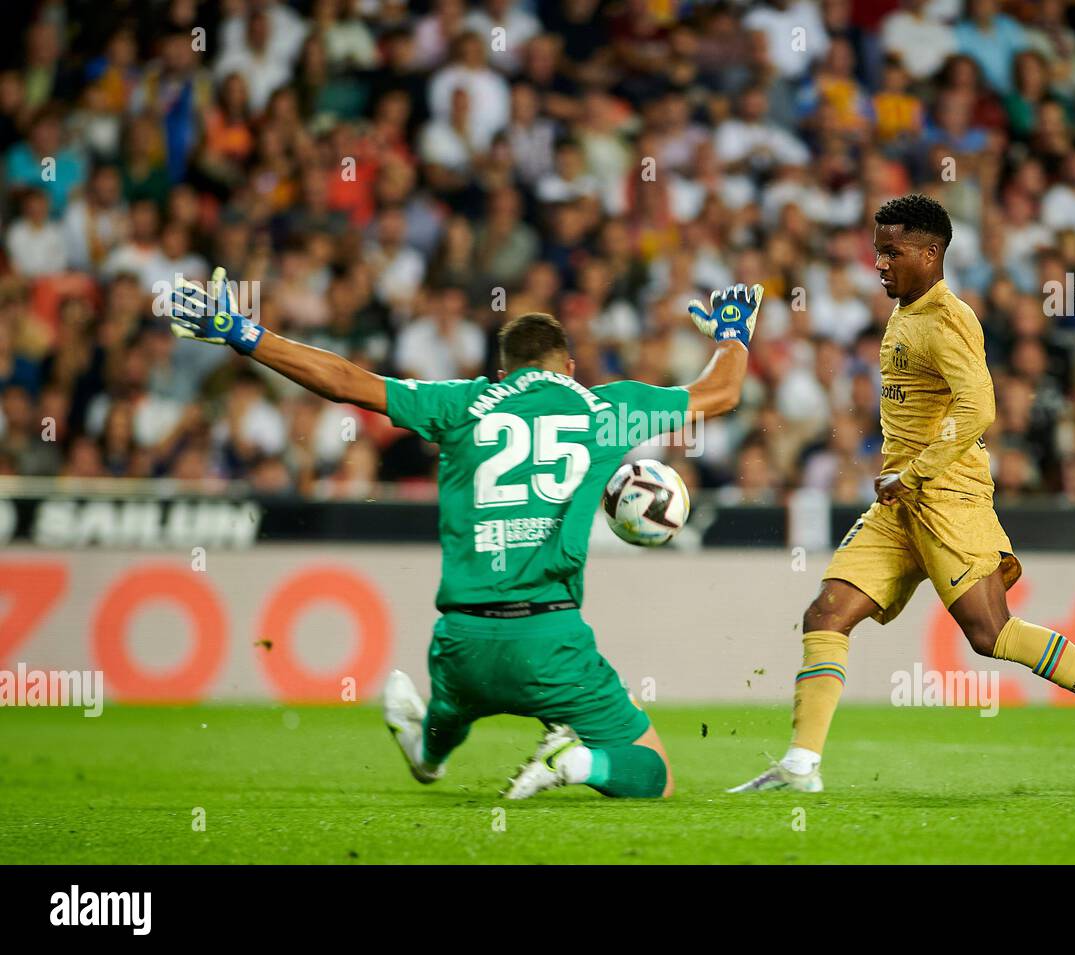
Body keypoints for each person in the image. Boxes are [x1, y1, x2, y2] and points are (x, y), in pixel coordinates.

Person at [170, 268, 763, 798]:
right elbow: (722, 392)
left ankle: (428, 754)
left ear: (503, 372)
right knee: (652, 774)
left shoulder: (462, 405)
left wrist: (243, 334)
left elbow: (345, 381)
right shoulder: (604, 412)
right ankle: (574, 759)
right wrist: (733, 333)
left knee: (446, 723)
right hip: (551, 641)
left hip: (460, 643)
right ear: (570, 367)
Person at [729, 194, 1075, 794]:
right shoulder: (904, 312)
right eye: (877, 252)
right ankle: (801, 766)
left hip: (947, 497)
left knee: (990, 632)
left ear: (930, 252)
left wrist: (915, 472)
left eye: (892, 252)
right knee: (827, 613)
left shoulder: (948, 320)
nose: (880, 264)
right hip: (900, 505)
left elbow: (980, 406)